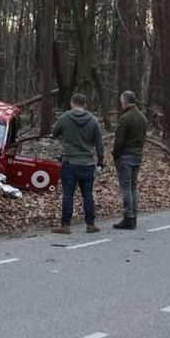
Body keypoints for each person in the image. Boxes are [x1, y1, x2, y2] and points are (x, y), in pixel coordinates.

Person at [51, 92, 105, 234]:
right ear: (85, 104)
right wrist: (101, 162)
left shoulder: (65, 117)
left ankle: (66, 225)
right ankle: (90, 224)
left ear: (72, 103)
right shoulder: (93, 120)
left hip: (69, 162)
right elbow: (100, 143)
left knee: (68, 194)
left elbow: (54, 132)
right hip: (87, 163)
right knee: (87, 194)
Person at [112, 90, 148, 229]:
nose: (121, 103)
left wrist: (115, 154)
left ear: (125, 101)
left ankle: (128, 217)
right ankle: (133, 215)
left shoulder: (125, 118)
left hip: (125, 155)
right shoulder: (142, 117)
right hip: (137, 155)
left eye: (121, 101)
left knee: (126, 187)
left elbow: (119, 140)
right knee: (133, 187)